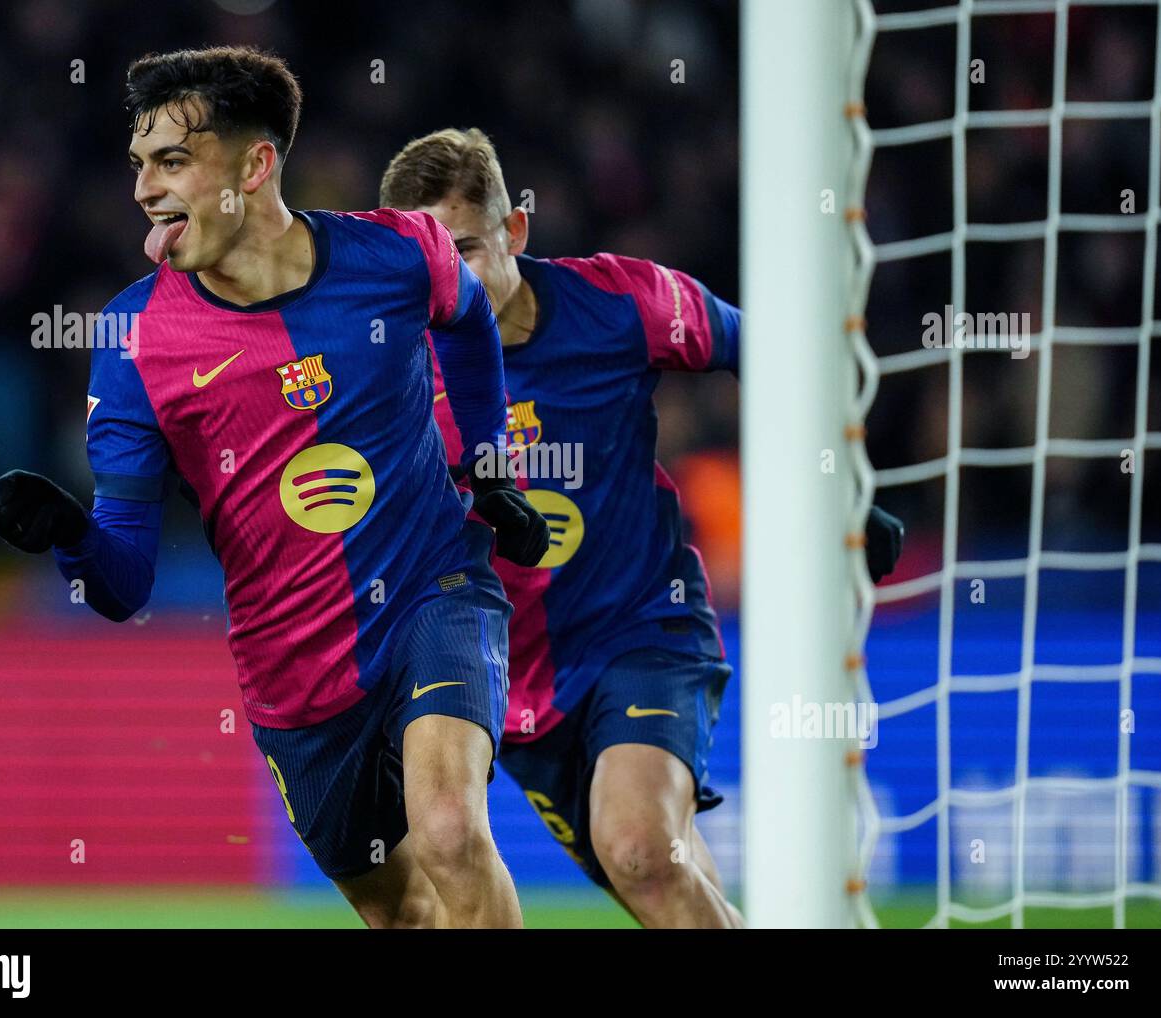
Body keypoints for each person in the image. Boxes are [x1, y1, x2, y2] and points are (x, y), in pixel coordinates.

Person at [0, 49, 549, 929]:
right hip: (295, 670)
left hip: (437, 587)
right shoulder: (133, 337)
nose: (144, 191)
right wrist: (67, 532)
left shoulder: (400, 252)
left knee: (449, 831)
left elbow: (469, 318)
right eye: (139, 166)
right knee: (403, 915)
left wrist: (487, 461)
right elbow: (123, 588)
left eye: (171, 162)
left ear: (255, 165)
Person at [381, 127, 904, 928]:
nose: (448, 283)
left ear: (516, 230)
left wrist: (840, 491)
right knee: (659, 878)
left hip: (643, 625)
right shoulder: (395, 373)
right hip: (509, 680)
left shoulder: (624, 303)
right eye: (424, 266)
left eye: (468, 250)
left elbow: (765, 349)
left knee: (638, 848)